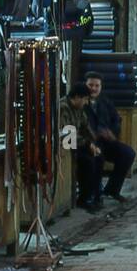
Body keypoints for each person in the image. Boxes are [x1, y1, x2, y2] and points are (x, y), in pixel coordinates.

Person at [84, 71, 136, 203]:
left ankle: (112, 190)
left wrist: (112, 133)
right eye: (91, 85)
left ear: (101, 87)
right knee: (98, 157)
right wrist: (94, 135)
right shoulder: (82, 102)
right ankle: (94, 195)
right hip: (89, 144)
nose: (94, 88)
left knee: (128, 153)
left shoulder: (105, 101)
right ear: (85, 85)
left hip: (107, 142)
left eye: (97, 86)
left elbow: (116, 119)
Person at [59, 82, 103, 211]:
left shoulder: (79, 109)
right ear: (77, 97)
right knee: (87, 162)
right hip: (67, 146)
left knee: (99, 157)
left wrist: (94, 143)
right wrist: (88, 144)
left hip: (79, 142)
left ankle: (95, 194)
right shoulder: (63, 107)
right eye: (84, 99)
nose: (86, 103)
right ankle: (84, 198)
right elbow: (67, 135)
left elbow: (86, 126)